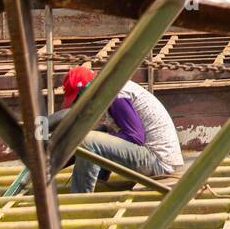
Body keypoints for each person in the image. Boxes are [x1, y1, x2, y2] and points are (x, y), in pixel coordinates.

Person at [58, 65, 185, 193]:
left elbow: (135, 137)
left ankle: (80, 195)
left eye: (77, 99)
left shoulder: (115, 94)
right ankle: (98, 182)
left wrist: (99, 141)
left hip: (158, 163)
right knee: (100, 133)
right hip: (156, 159)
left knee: (88, 141)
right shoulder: (111, 88)